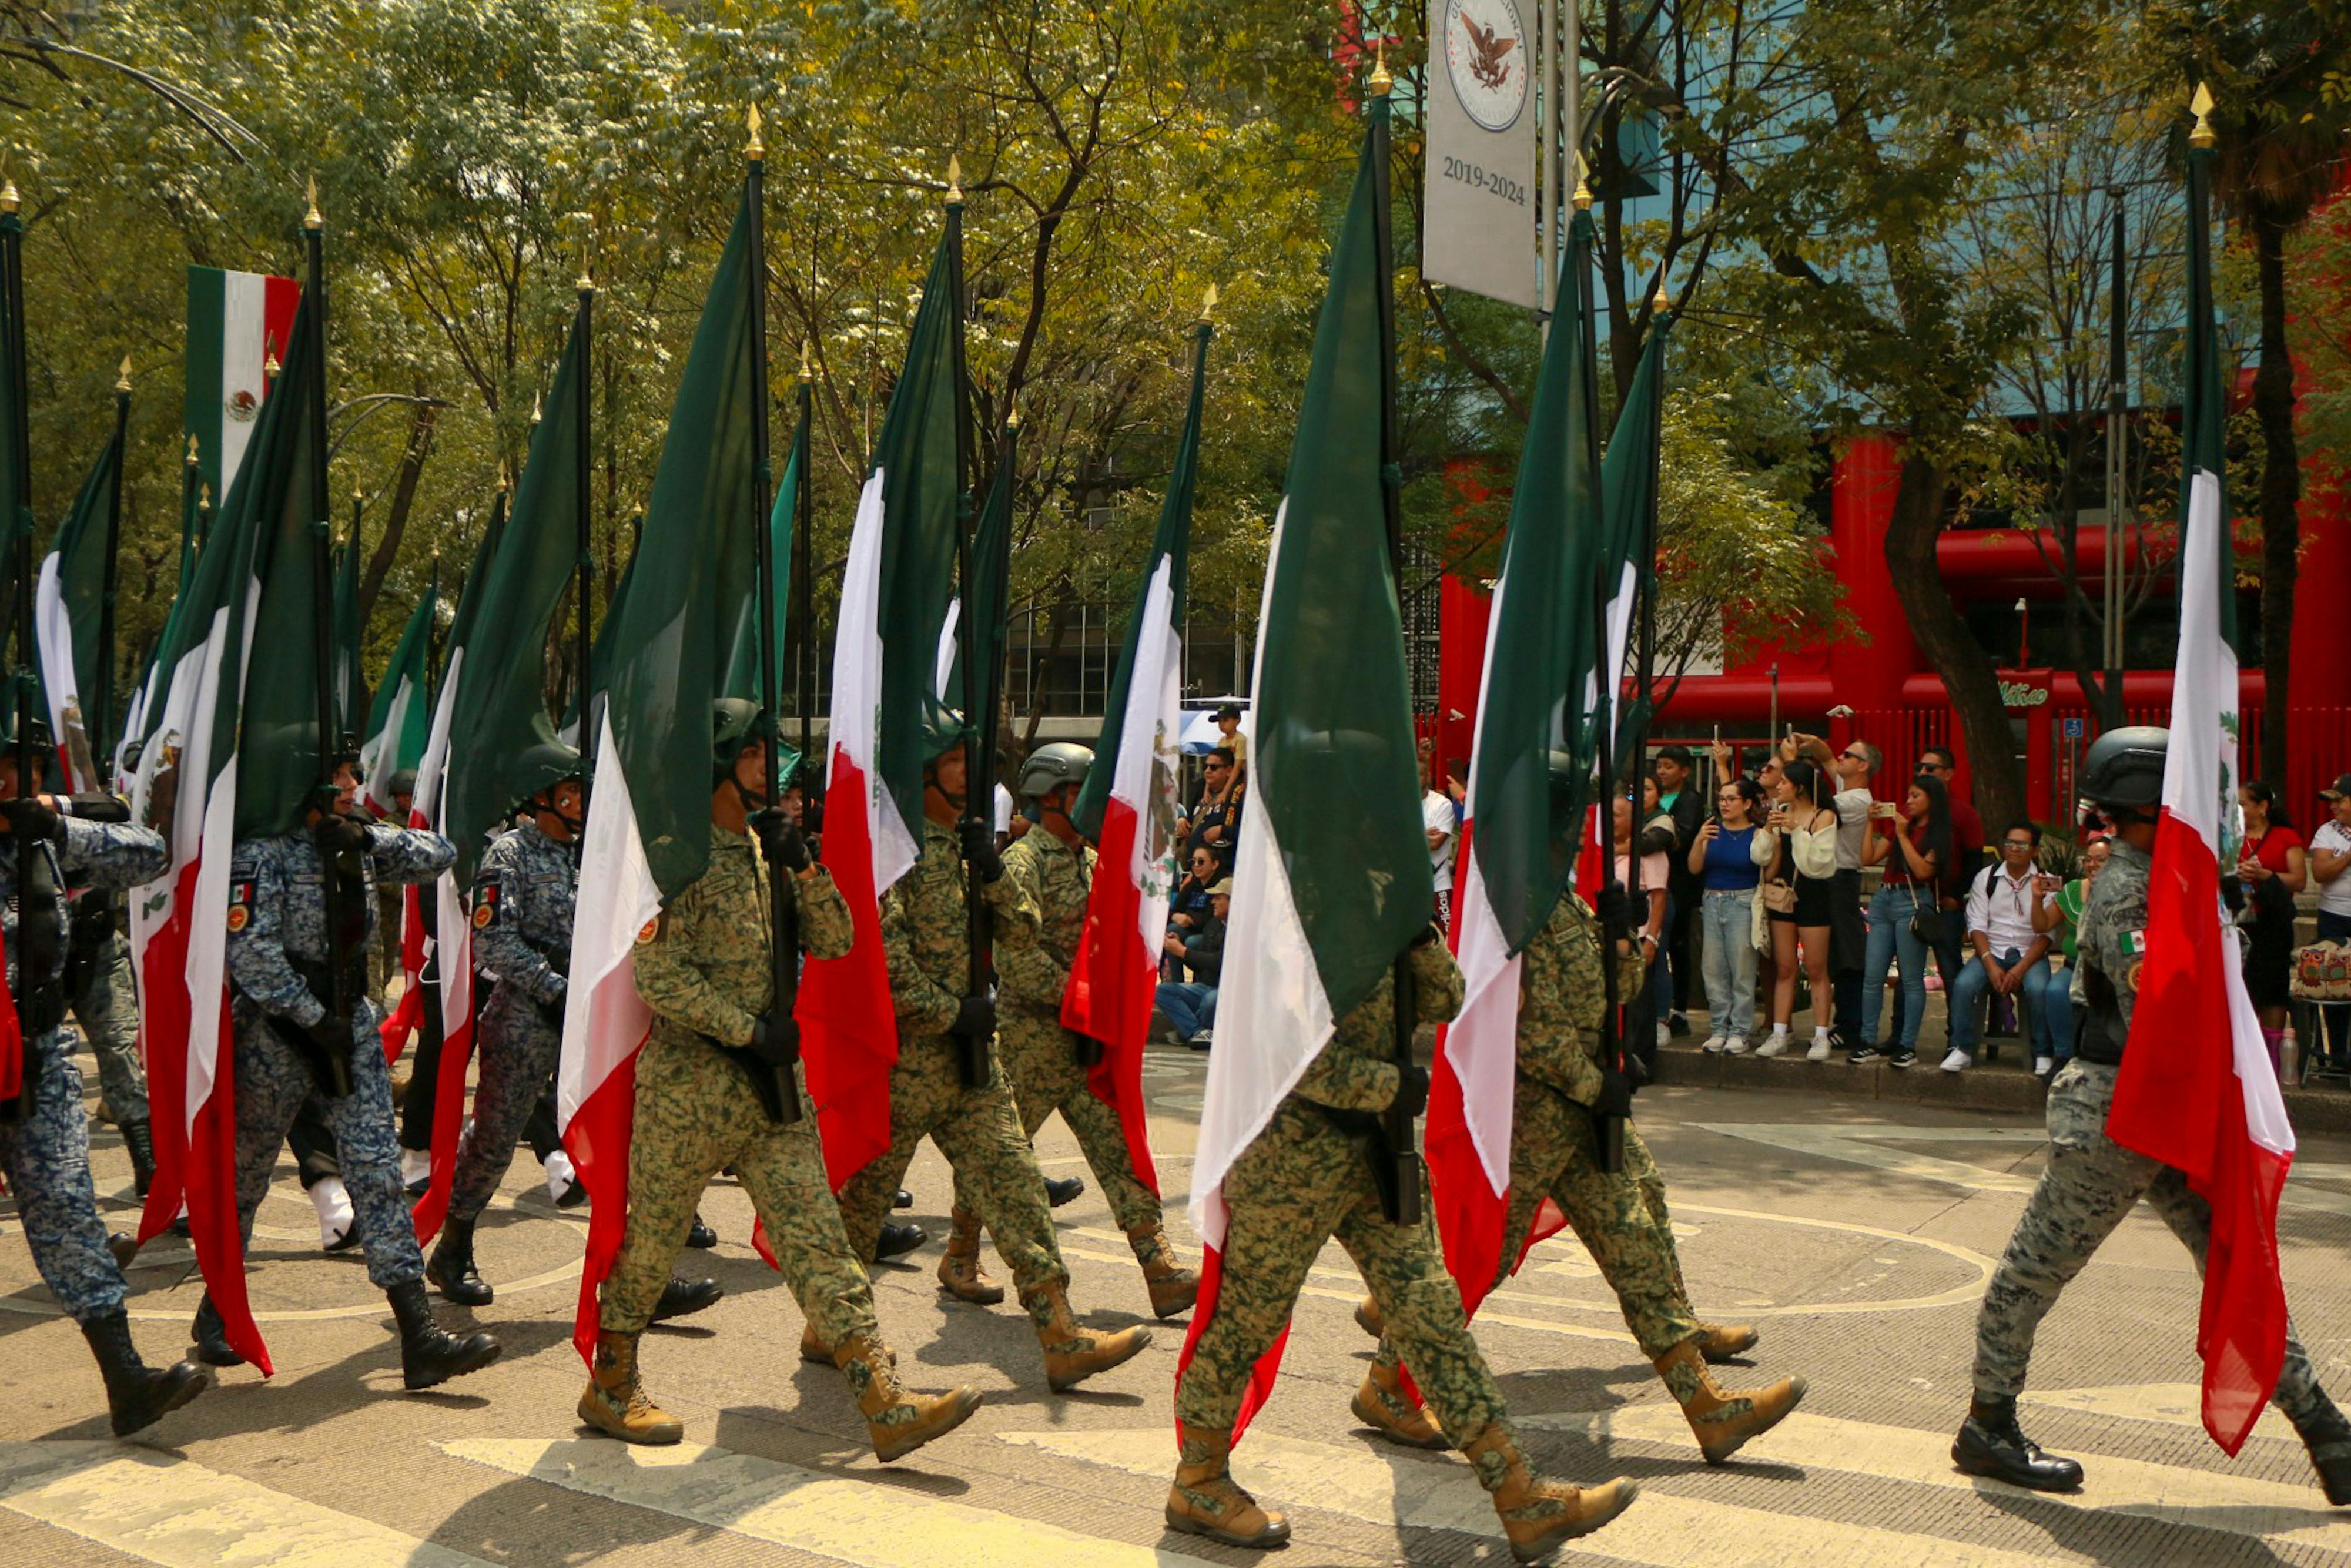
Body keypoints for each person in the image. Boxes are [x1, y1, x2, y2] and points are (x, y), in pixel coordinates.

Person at [1954, 726, 2351, 1502]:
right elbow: (2158, 1011)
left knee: (2238, 1266)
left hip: (2170, 1106)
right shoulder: (2129, 887)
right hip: (2117, 1111)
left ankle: (2328, 1433)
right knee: (2035, 1270)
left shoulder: (2171, 873)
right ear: (2147, 803)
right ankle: (1988, 1423)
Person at [1166, 913, 1640, 1559]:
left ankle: (1519, 1493)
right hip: (1291, 1161)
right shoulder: (1289, 910)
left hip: (1374, 1158)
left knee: (1432, 1315)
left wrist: (1417, 937)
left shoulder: (1382, 905)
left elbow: (1448, 998)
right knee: (1247, 1324)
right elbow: (1291, 1052)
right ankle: (1197, 1479)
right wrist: (1392, 1083)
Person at [581, 700, 980, 1457]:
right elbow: (657, 973)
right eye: (757, 753)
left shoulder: (773, 853)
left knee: (818, 1237)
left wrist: (804, 864)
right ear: (720, 762)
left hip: (770, 1090)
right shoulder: (677, 858)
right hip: (691, 1089)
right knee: (654, 1242)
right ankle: (611, 1381)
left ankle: (882, 1400)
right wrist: (747, 1028)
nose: (774, 767)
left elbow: (837, 939)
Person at [1354, 876, 1804, 1469]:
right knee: (1473, 1260)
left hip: (1577, 1124)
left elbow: (1620, 991)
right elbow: (1527, 1030)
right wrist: (1597, 1087)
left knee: (1637, 1249)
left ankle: (1710, 1411)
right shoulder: (1514, 897)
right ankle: (1388, 1382)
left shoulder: (1562, 895)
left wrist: (1620, 935)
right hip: (1524, 1125)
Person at [822, 713, 1151, 1392]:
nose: (970, 772)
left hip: (973, 1062)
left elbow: (1023, 928)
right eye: (954, 761)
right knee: (863, 1206)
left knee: (1018, 1187)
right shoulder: (895, 854)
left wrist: (993, 867)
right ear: (922, 773)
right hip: (909, 1060)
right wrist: (951, 1012)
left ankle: (1060, 1333)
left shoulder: (974, 848)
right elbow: (881, 961)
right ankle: (831, 1324)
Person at [200, 751, 500, 1391]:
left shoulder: (358, 843)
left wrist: (367, 835)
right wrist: (312, 1019)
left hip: (349, 1026)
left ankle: (419, 1336)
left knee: (377, 1171)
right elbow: (250, 955)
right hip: (276, 1036)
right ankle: (216, 1311)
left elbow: (441, 853)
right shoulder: (265, 852)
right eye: (339, 779)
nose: (352, 787)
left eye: (352, 777)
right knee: (244, 1177)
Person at [427, 744, 719, 1324]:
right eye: (570, 793)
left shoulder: (597, 854)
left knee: (625, 1136)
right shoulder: (508, 854)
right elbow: (495, 941)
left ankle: (639, 1276)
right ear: (540, 800)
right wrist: (556, 987)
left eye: (584, 792)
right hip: (526, 1017)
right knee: (495, 1137)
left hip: (596, 1016)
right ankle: (453, 1247)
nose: (581, 803)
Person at [0, 727, 207, 1437]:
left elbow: (150, 855)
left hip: (37, 1051)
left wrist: (58, 821)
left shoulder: (39, 835)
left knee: (68, 1211)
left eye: (24, 772)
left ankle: (127, 1380)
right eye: (4, 773)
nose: (12, 785)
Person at [946, 742, 1199, 1321]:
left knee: (1117, 1149)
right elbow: (1014, 957)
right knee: (999, 1157)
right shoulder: (1022, 863)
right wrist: (1077, 1004)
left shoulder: (1092, 862)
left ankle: (1158, 1266)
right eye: (1081, 792)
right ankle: (960, 1252)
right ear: (1051, 795)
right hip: (1031, 1037)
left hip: (1086, 1040)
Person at [1946, 822, 2062, 1075]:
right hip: (1993, 951)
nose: (2014, 849)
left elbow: (2047, 935)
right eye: (2010, 843)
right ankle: (1963, 1048)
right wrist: (1990, 965)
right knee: (1964, 985)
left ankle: (2042, 1052)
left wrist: (2020, 969)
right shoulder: (1986, 877)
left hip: (2029, 954)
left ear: (2034, 851)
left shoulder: (2047, 881)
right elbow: (1976, 926)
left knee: (2039, 988)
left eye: (2022, 845)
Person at [1857, 774, 1954, 1068]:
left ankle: (1907, 1045)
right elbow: (1868, 857)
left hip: (1911, 902)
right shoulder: (1902, 825)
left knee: (1911, 979)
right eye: (1908, 796)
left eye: (1916, 796)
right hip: (1884, 899)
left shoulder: (1938, 833)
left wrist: (1901, 836)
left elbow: (1924, 871)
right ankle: (1867, 1040)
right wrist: (1871, 823)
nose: (1908, 802)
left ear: (1932, 800)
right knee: (1873, 976)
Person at [1756, 759, 1837, 1060]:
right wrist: (1769, 830)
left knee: (1816, 968)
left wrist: (1797, 831)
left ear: (1800, 787)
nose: (1778, 787)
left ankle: (1820, 1034)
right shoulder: (1782, 814)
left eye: (1784, 783)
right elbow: (1762, 857)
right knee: (1785, 967)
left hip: (1815, 894)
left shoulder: (1825, 816)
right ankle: (1779, 1032)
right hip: (1783, 895)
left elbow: (1818, 864)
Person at [2236, 782, 2307, 1069]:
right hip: (2239, 920)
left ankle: (2272, 1058)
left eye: (2243, 804)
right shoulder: (2232, 837)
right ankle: (2243, 1058)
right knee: (2242, 985)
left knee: (2272, 989)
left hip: (2272, 923)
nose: (2238, 809)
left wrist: (2264, 874)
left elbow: (2299, 880)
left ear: (2262, 807)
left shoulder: (2284, 836)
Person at [1692, 778, 1764, 1056]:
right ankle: (1718, 1029)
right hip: (1712, 900)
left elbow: (1768, 866)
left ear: (1747, 803)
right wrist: (1699, 840)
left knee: (1743, 970)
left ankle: (1740, 1031)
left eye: (1731, 799)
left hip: (1743, 901)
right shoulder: (1712, 831)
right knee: (1713, 969)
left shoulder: (1757, 834)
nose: (1725, 803)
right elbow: (1694, 867)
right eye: (1722, 798)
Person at [1916, 746, 1985, 1037]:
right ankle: (1901, 1037)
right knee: (1909, 974)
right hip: (1913, 902)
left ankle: (1959, 1034)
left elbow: (1974, 861)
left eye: (1930, 769)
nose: (1923, 773)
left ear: (1948, 774)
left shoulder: (1963, 813)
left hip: (1947, 906)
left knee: (1950, 969)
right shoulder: (1917, 809)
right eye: (1920, 768)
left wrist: (1956, 897)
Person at [2029, 836, 2106, 1078]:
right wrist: (2037, 899)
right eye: (2088, 859)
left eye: (2101, 860)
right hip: (2074, 966)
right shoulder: (2073, 889)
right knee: (2055, 991)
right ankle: (2063, 1056)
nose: (2093, 865)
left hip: (2106, 971)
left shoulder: (2121, 892)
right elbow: (2042, 925)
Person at [1827, 740, 1881, 1051]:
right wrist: (1813, 743)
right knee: (1832, 955)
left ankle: (1851, 1024)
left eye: (1848, 755)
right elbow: (1825, 755)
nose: (1840, 757)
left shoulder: (1858, 800)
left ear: (1864, 766)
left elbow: (1820, 808)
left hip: (1842, 878)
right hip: (1828, 879)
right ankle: (1844, 1021)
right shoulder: (1844, 791)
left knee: (1847, 954)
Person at [1652, 745, 1704, 1039]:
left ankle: (1679, 1011)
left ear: (1685, 771)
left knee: (1678, 947)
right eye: (1659, 766)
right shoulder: (1656, 797)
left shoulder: (1690, 800)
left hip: (1680, 885)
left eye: (1669, 766)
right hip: (1656, 883)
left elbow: (1681, 838)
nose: (1662, 772)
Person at [1610, 795, 1669, 1053]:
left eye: (1616, 815)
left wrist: (1652, 941)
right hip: (1609, 938)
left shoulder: (1649, 853)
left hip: (1638, 937)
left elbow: (1658, 898)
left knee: (1639, 1004)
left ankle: (1642, 1059)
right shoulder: (1600, 848)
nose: (1610, 821)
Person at [1157, 880, 1226, 1047]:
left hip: (1228, 991)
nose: (1212, 902)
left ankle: (1192, 1030)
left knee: (1212, 1000)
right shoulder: (1214, 924)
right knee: (1163, 991)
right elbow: (1203, 966)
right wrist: (1180, 951)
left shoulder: (1239, 928)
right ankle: (1196, 1031)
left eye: (1218, 898)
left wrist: (1183, 952)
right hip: (1208, 986)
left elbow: (1220, 962)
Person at [2312, 775, 2351, 1066]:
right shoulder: (2328, 831)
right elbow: (2321, 873)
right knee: (2334, 985)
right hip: (2334, 917)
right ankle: (2337, 1054)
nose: (2333, 807)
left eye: (2339, 801)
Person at [1187, 746, 1243, 878]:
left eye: (1214, 767)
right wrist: (1183, 820)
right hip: (1194, 871)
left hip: (1222, 874)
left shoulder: (1238, 794)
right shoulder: (1200, 789)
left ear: (1229, 770)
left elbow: (1247, 832)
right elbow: (1191, 817)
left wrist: (1223, 831)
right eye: (1205, 766)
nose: (1207, 771)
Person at [1214, 702, 1248, 772]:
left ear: (1237, 721)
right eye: (1220, 722)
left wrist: (1228, 784)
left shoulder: (1241, 740)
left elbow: (1237, 768)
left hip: (1240, 776)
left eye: (1225, 720)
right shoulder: (1221, 741)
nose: (1222, 724)